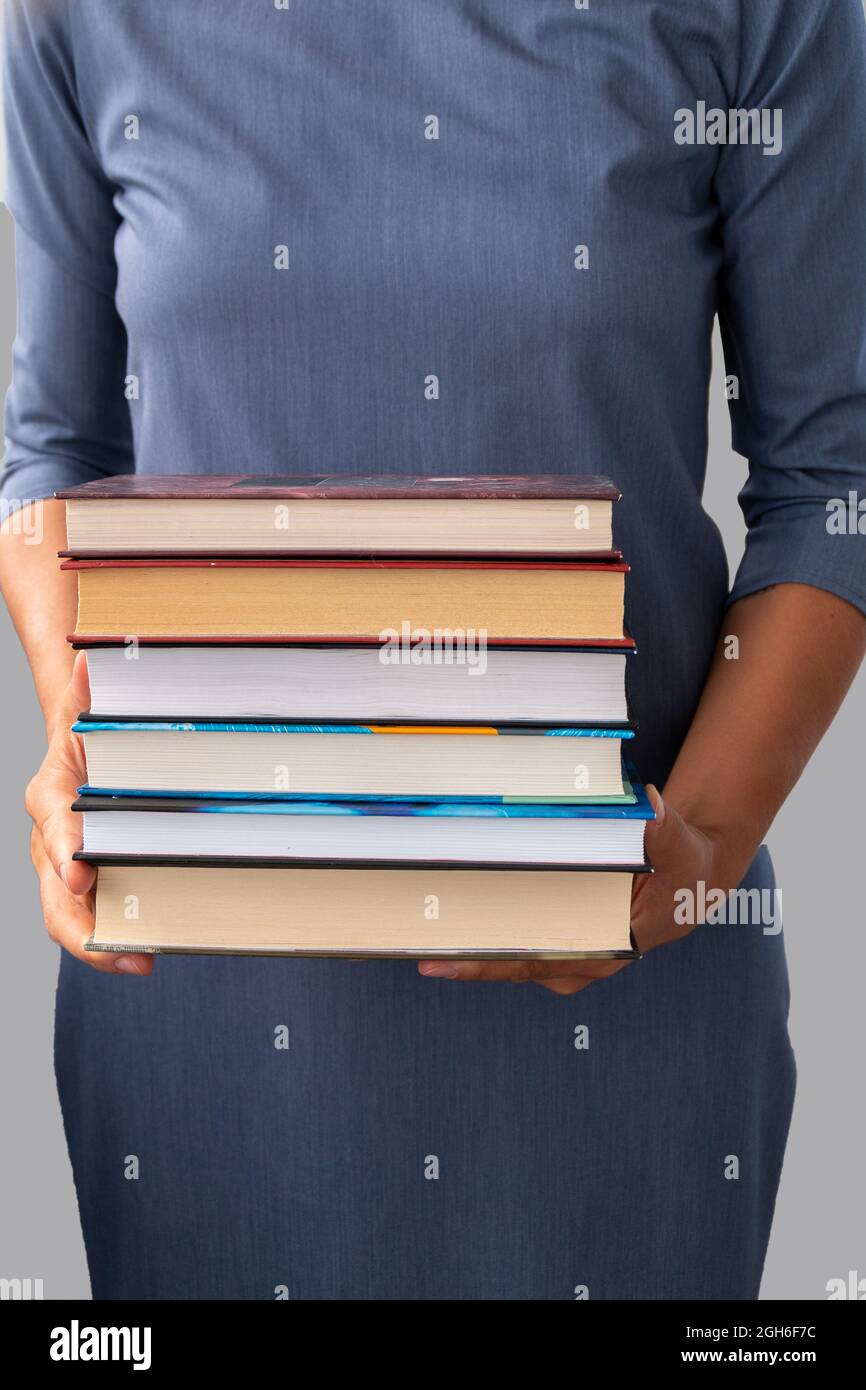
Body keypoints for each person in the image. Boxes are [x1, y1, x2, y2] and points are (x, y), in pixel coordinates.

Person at [1, 0, 865, 1301]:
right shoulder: (74, 17)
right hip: (204, 1002)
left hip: (621, 990)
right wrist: (88, 738)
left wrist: (696, 849)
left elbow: (830, 482)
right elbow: (54, 453)